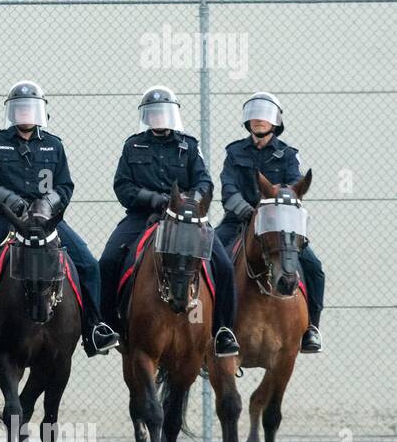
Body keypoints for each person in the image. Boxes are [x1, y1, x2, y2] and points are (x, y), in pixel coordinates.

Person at [0, 80, 120, 356]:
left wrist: (49, 203)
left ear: (40, 112)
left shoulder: (54, 145)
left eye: (30, 109)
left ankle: (95, 328)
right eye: (20, 109)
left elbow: (65, 186)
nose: (25, 114)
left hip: (47, 221)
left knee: (88, 264)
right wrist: (8, 199)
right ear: (12, 113)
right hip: (5, 219)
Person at [98, 86, 240, 357]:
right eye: (153, 114)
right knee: (107, 262)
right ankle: (108, 326)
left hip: (186, 219)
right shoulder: (133, 145)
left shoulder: (189, 146)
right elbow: (122, 186)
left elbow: (205, 182)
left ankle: (223, 331)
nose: (158, 119)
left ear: (173, 116)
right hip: (143, 217)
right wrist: (153, 199)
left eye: (163, 114)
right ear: (146, 118)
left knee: (222, 263)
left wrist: (190, 202)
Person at [217, 92, 323, 353]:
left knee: (314, 267)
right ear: (248, 122)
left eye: (264, 117)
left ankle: (311, 328)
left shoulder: (288, 155)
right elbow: (228, 190)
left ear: (274, 122)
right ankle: (218, 329)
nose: (259, 121)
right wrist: (247, 211)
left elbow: (293, 187)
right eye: (254, 116)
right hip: (238, 222)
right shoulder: (234, 152)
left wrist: (271, 210)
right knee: (211, 259)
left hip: (277, 227)